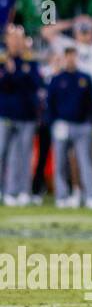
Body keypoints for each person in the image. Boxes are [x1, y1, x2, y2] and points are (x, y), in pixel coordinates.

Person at [47, 47, 92, 208]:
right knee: (60, 162)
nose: (71, 59)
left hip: (82, 126)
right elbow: (50, 103)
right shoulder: (57, 79)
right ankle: (61, 196)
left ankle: (90, 196)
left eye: (73, 57)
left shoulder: (85, 78)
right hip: (62, 125)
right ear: (64, 58)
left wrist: (91, 123)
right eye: (68, 57)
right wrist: (53, 123)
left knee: (85, 161)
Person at [0, 24, 43, 206]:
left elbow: (36, 84)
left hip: (26, 115)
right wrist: (13, 74)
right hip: (5, 114)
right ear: (7, 40)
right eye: (13, 37)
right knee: (2, 154)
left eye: (20, 38)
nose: (17, 42)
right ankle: (5, 191)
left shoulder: (31, 62)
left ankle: (22, 191)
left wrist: (14, 73)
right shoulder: (2, 62)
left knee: (24, 156)